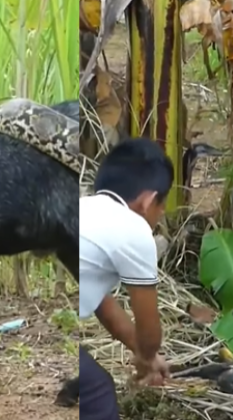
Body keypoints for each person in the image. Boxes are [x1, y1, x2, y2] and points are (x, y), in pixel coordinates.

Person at [79, 138, 173, 419]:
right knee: (97, 394)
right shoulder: (134, 230)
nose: (162, 212)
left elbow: (103, 306)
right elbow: (149, 326)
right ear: (147, 201)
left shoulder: (85, 207)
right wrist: (147, 354)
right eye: (162, 204)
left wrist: (145, 354)